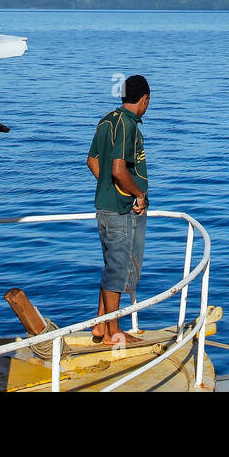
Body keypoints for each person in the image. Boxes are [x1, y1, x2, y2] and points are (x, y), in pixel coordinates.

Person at [86, 74, 150, 345]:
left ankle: (101, 326)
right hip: (122, 210)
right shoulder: (127, 125)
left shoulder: (107, 120)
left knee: (111, 266)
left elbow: (92, 162)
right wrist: (137, 195)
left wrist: (110, 189)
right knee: (119, 270)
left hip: (105, 206)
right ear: (144, 99)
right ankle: (114, 332)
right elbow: (118, 168)